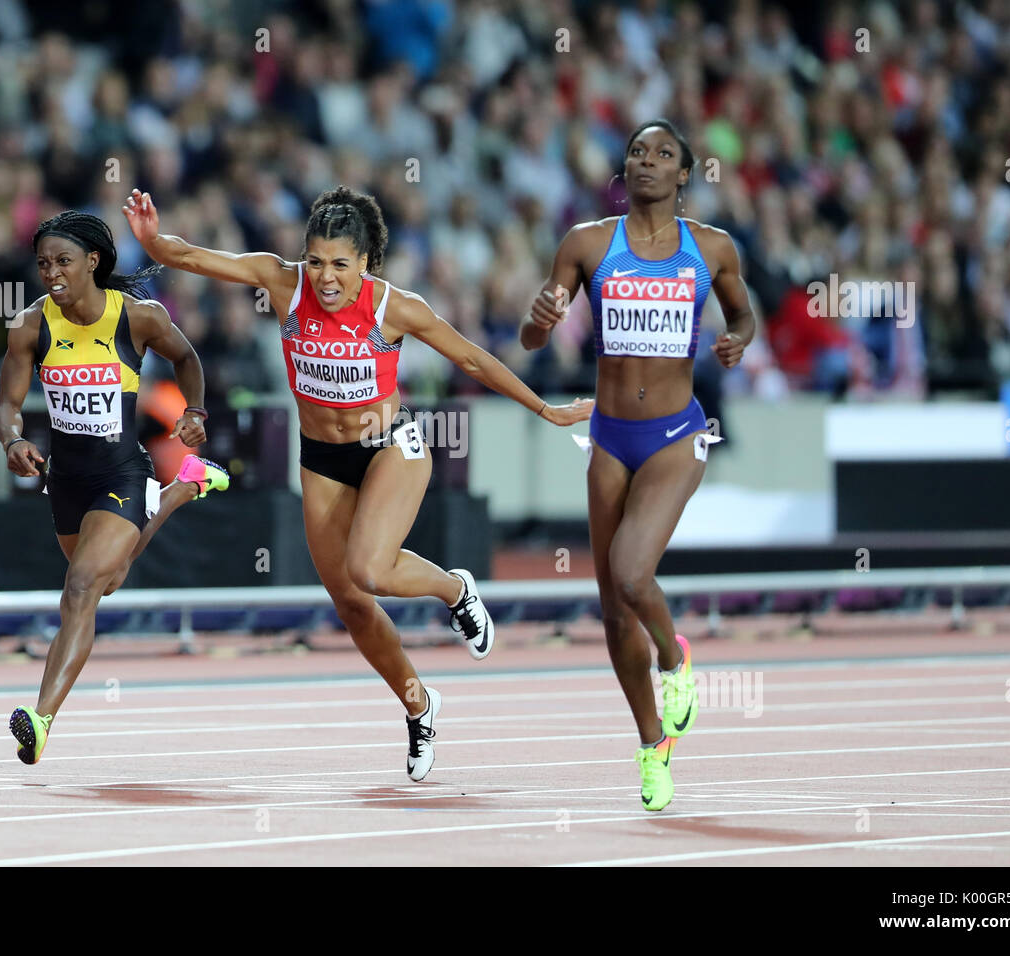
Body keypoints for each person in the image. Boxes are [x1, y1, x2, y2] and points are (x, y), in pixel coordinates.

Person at [123, 184, 592, 781]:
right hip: (321, 457)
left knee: (370, 569)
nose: (325, 278)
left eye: (340, 265)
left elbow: (472, 359)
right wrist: (152, 241)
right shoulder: (281, 282)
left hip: (391, 445)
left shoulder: (395, 307)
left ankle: (455, 591)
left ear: (365, 262)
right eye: (315, 261)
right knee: (350, 600)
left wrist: (545, 410)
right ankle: (419, 704)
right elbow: (194, 258)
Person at [522, 119, 755, 811]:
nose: (645, 161)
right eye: (636, 151)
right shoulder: (588, 244)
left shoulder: (711, 248)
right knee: (611, 614)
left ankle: (676, 660)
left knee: (631, 573)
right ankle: (653, 747)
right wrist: (539, 319)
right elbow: (534, 336)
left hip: (675, 435)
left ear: (683, 174)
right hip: (609, 437)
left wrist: (736, 341)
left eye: (662, 154)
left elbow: (744, 315)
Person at [0, 210, 230, 765]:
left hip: (123, 472)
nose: (51, 272)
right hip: (67, 480)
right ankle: (183, 489)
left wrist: (194, 410)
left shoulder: (137, 317)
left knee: (79, 589)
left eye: (63, 261)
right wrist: (11, 442)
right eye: (44, 263)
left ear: (93, 262)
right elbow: (6, 404)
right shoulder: (31, 324)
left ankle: (41, 718)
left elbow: (187, 358)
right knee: (107, 581)